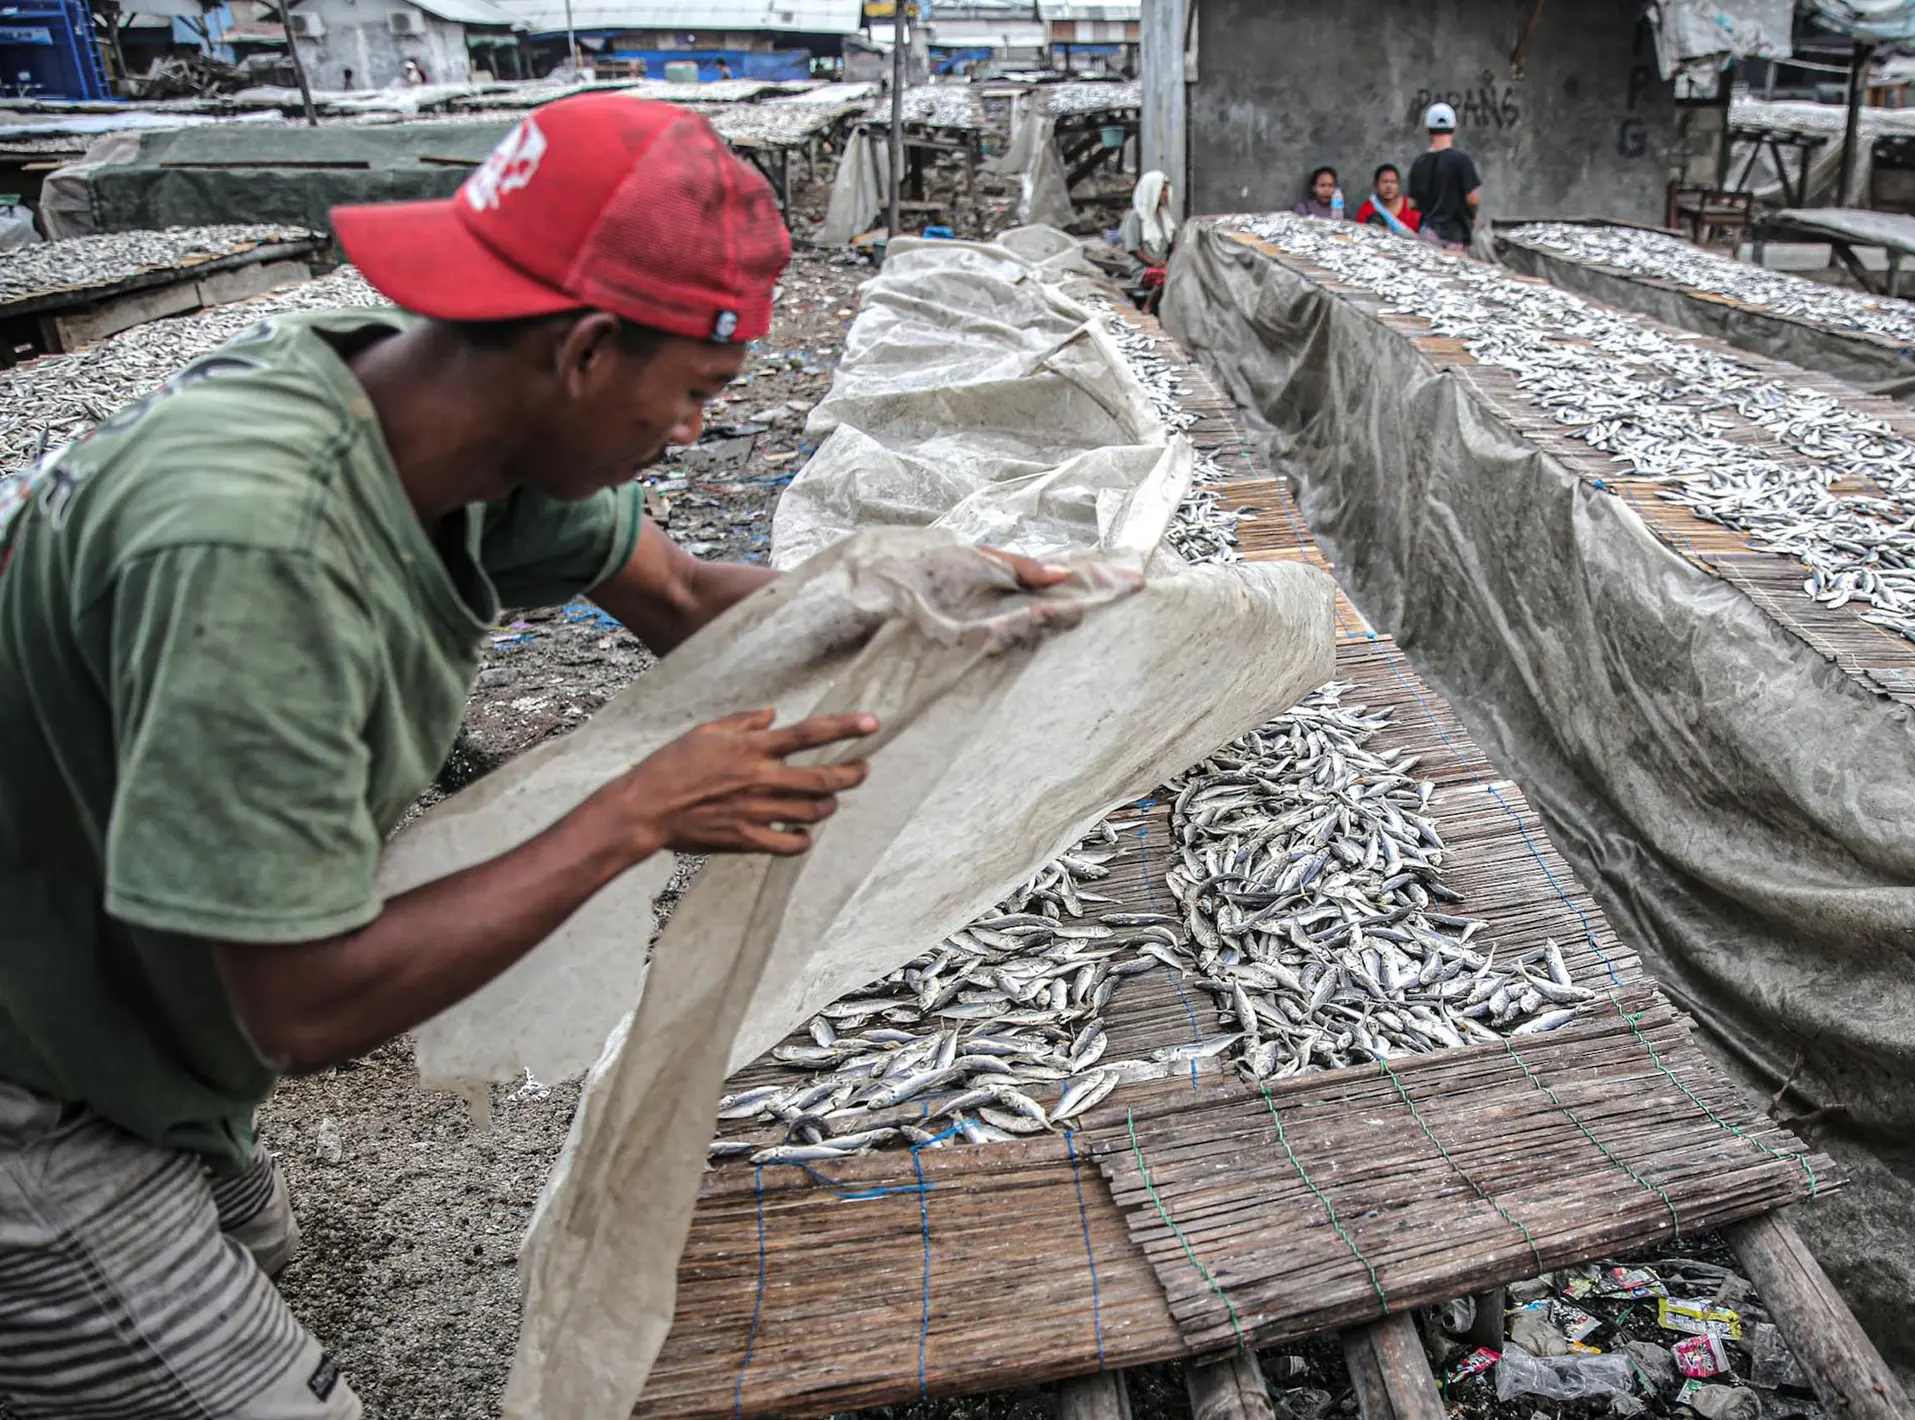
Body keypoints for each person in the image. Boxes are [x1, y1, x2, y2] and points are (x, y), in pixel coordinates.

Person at [0, 93, 1066, 1418]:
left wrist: (897, 594)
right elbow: (304, 1005)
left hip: (133, 1007)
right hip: (40, 1084)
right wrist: (635, 812)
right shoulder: (256, 552)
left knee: (249, 1260)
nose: (688, 437)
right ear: (587, 351)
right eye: (695, 395)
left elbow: (677, 598)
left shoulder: (429, 412)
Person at [1407, 102, 1480, 249]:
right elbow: (1472, 200)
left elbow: (1411, 204)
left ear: (1427, 129)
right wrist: (1473, 215)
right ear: (1455, 128)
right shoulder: (1462, 160)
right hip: (1455, 235)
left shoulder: (1419, 163)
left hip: (1428, 233)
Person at [1117, 169, 1175, 311]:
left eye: (1166, 191)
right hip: (1143, 269)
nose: (1165, 195)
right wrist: (1153, 262)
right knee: (1165, 275)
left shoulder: (1164, 217)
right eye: (1162, 191)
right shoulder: (1137, 217)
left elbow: (1172, 243)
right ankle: (1148, 306)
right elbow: (1133, 249)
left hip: (1162, 265)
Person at [1354, 162, 1421, 235]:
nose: (1389, 186)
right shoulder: (1366, 210)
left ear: (1398, 185)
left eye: (1393, 182)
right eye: (1385, 182)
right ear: (1376, 185)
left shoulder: (1411, 206)